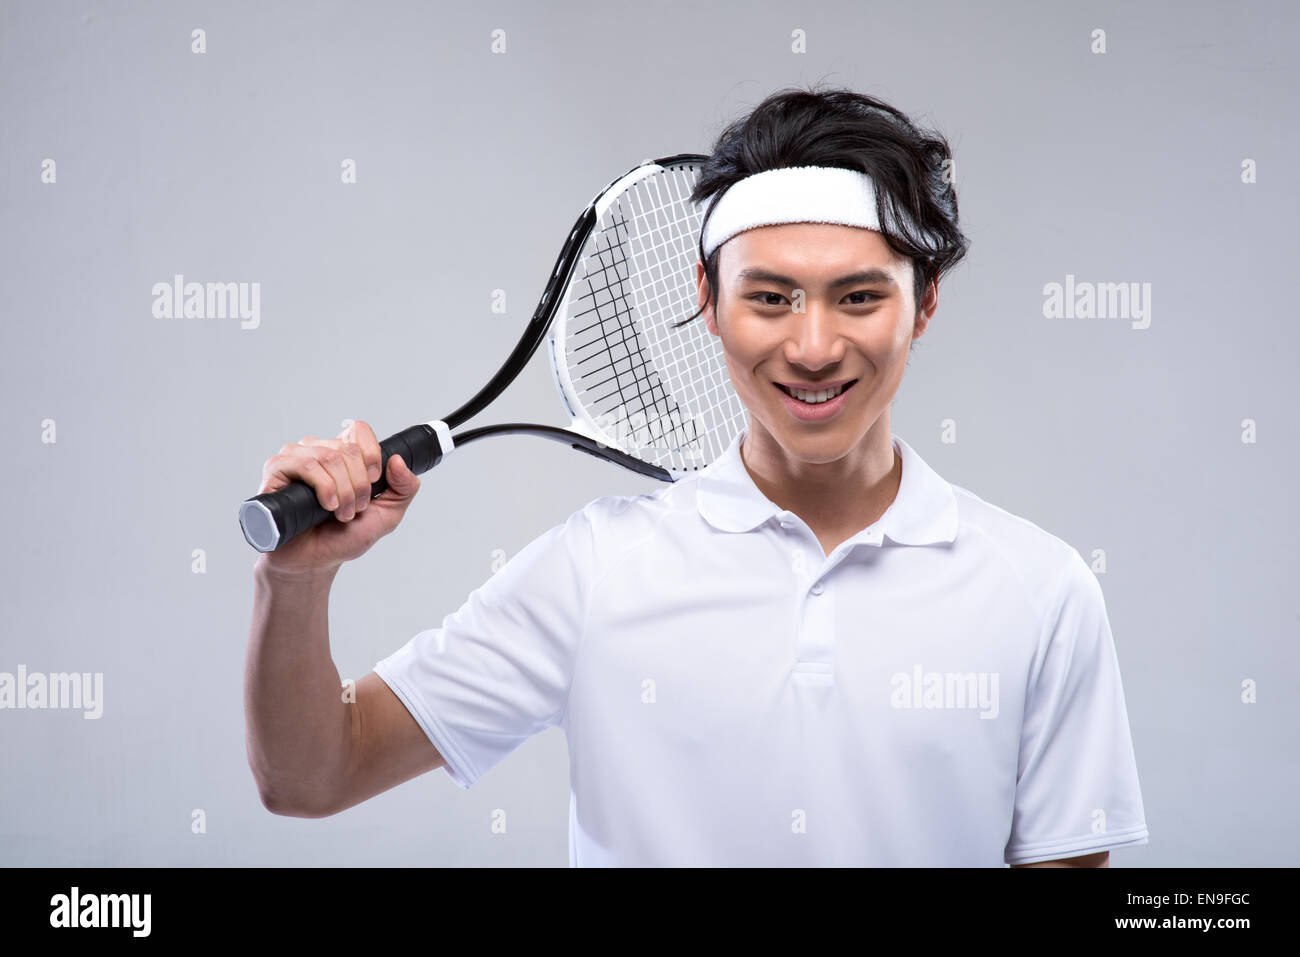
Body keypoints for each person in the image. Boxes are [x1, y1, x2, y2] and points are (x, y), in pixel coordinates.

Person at [245, 86, 1149, 867]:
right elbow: (310, 774)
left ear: (926, 304)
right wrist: (298, 577)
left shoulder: (1041, 589)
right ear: (709, 303)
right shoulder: (594, 569)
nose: (813, 345)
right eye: (770, 296)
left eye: (860, 295)